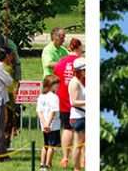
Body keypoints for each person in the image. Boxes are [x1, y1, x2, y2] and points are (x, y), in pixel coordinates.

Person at [53, 38, 83, 166]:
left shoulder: (61, 62)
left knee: (67, 128)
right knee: (81, 131)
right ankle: (83, 159)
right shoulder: (81, 62)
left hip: (64, 98)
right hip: (79, 100)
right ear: (79, 48)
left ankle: (65, 157)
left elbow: (56, 76)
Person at [37, 74, 62, 170]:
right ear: (49, 85)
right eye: (55, 83)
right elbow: (53, 111)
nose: (57, 85)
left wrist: (43, 123)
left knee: (45, 144)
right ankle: (48, 164)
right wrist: (48, 123)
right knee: (51, 145)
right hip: (53, 125)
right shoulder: (54, 97)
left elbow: (39, 111)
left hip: (44, 125)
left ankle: (42, 163)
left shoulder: (41, 96)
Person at [0, 46, 20, 147]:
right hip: (8, 102)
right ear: (7, 56)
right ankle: (5, 147)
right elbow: (11, 86)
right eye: (12, 55)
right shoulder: (7, 69)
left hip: (1, 100)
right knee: (7, 126)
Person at [68, 57, 86, 171]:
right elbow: (73, 101)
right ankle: (76, 168)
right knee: (78, 145)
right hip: (78, 116)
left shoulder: (79, 82)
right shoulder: (74, 82)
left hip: (82, 115)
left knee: (80, 144)